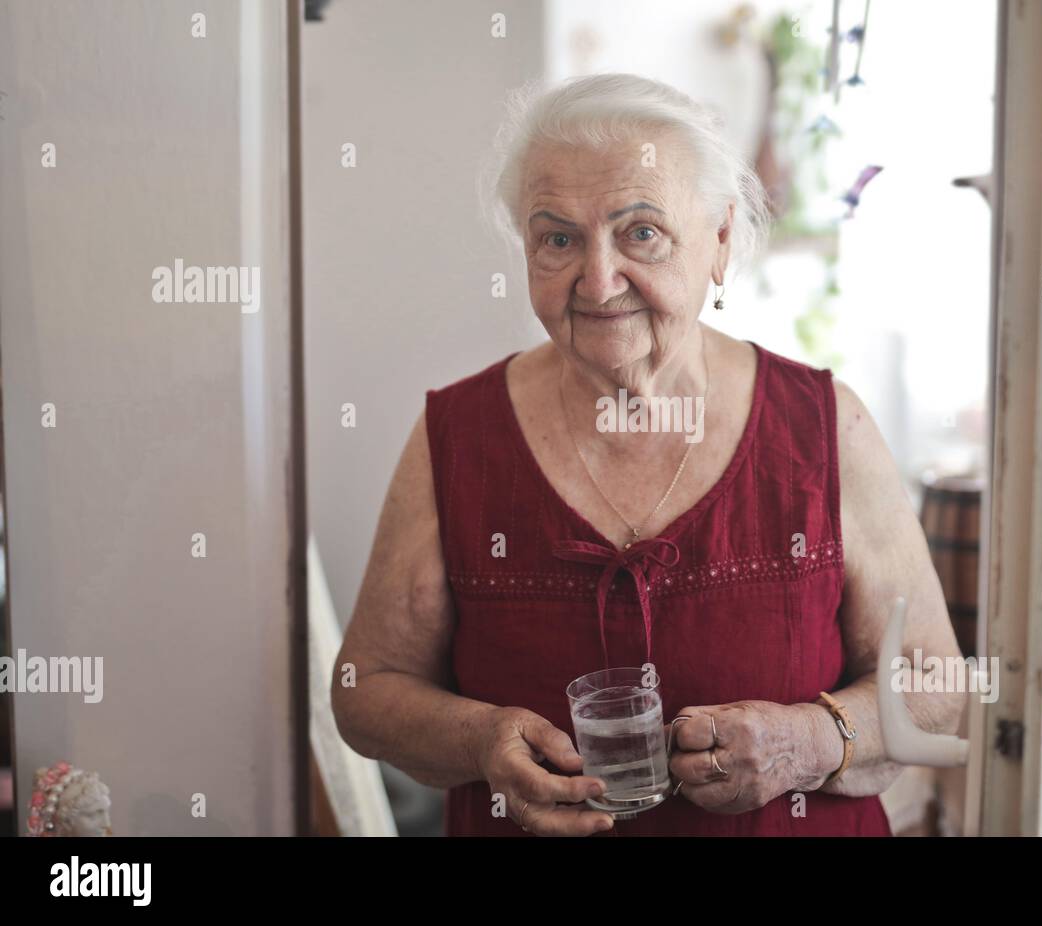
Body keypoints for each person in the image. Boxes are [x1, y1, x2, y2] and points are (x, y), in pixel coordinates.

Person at [332, 73, 962, 836]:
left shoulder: (823, 425)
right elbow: (365, 688)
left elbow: (934, 686)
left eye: (641, 233)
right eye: (557, 237)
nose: (597, 280)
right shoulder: (460, 436)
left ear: (721, 240)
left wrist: (811, 741)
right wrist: (480, 739)